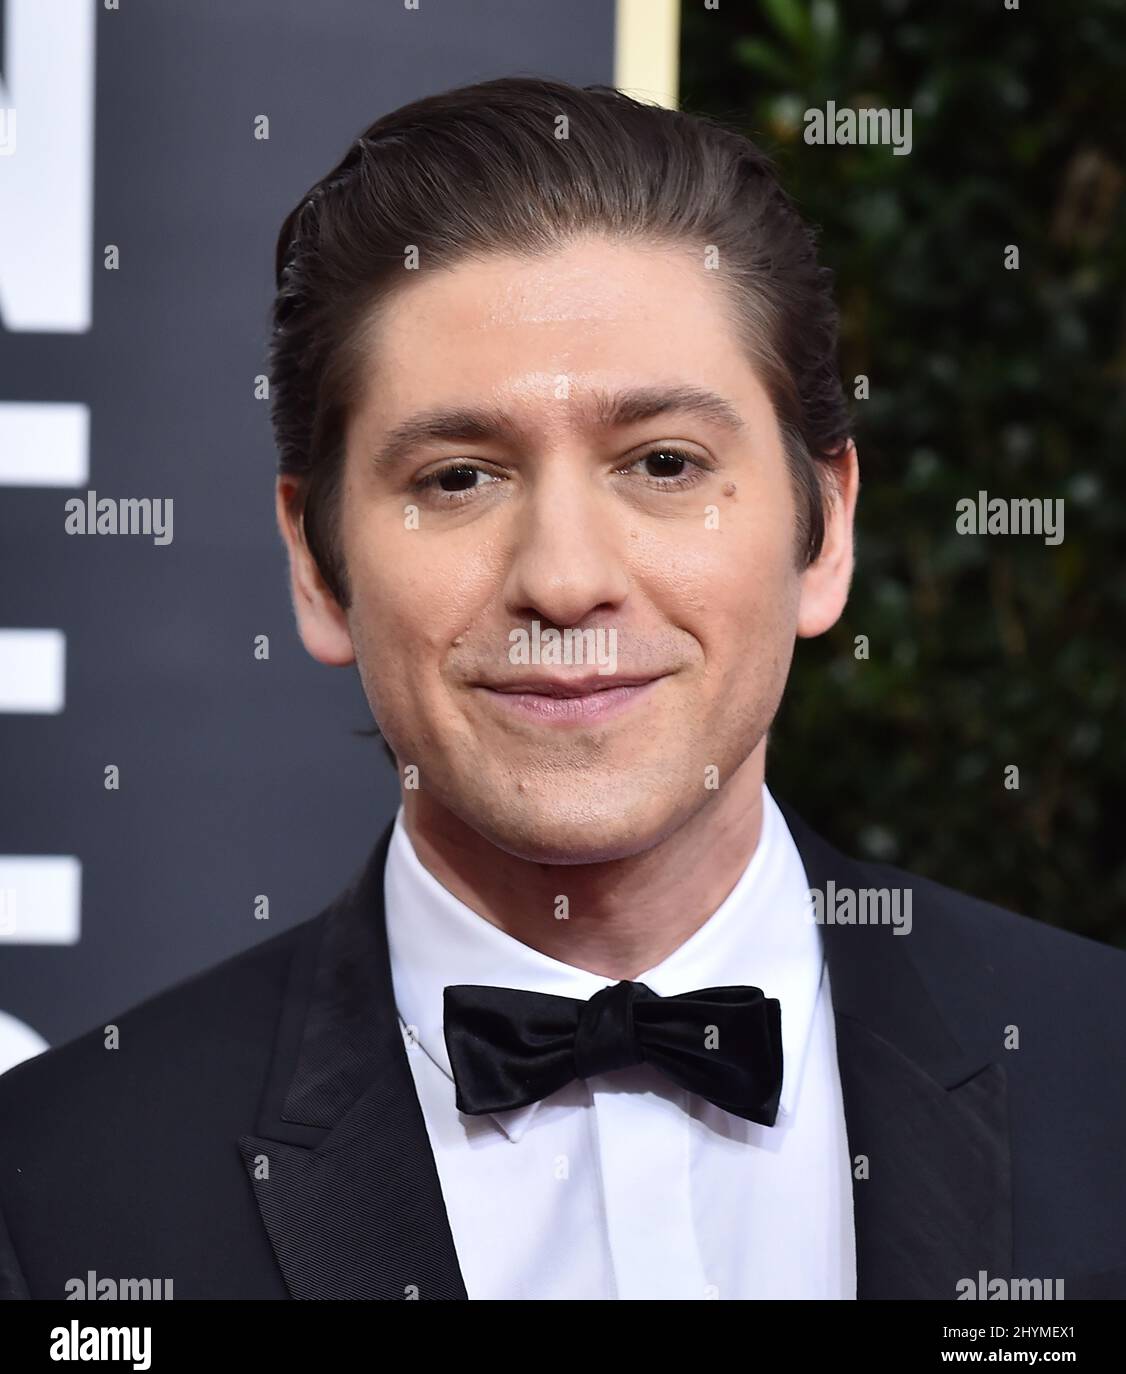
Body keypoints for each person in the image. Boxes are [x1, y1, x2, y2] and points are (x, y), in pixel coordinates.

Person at [2, 77, 1124, 1302]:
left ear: (828, 530)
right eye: (458, 478)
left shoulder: (1100, 1073)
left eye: (662, 462)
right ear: (319, 570)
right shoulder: (55, 1196)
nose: (566, 578)